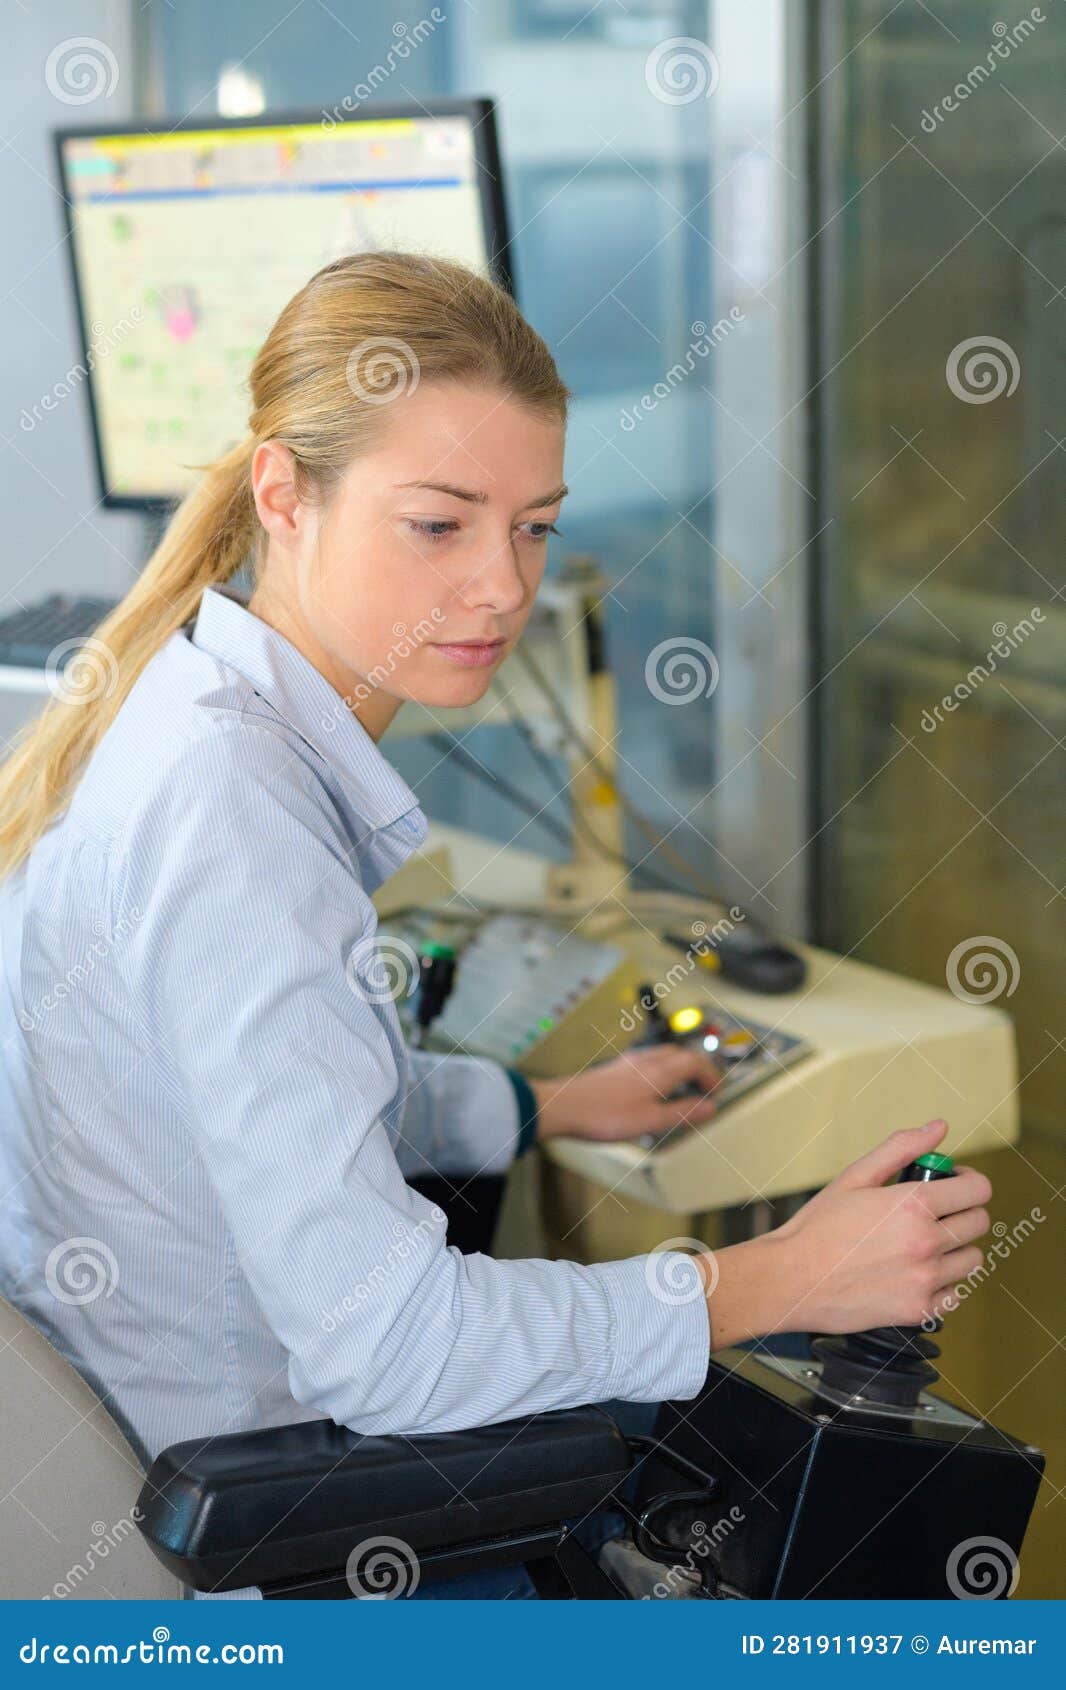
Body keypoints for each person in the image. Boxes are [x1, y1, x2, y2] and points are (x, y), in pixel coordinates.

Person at [0, 252, 992, 1600]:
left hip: (172, 1452)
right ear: (284, 494)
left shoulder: (178, 707)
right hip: (271, 1542)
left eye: (532, 526)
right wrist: (768, 1276)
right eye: (439, 525)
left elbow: (263, 1106)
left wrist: (539, 1107)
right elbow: (392, 1348)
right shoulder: (236, 822)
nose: (500, 586)